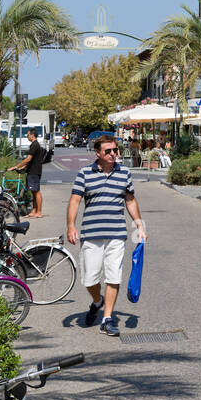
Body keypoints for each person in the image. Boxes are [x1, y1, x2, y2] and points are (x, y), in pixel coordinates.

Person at [67, 135, 146, 337]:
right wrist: (71, 225)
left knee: (113, 276)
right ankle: (97, 301)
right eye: (108, 151)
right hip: (91, 233)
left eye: (115, 150)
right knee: (89, 278)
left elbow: (130, 200)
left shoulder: (124, 173)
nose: (113, 154)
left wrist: (139, 224)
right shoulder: (85, 173)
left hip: (116, 234)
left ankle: (107, 318)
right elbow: (75, 200)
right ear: (98, 153)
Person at [8, 128, 46, 218]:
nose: (27, 136)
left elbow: (28, 159)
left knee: (36, 192)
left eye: (28, 135)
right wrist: (23, 167)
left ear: (32, 135)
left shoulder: (34, 145)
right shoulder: (34, 145)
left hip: (34, 171)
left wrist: (16, 166)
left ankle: (39, 212)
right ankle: (34, 211)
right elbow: (31, 161)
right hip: (32, 171)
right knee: (33, 192)